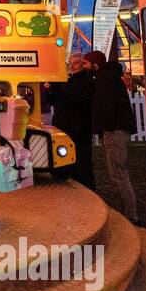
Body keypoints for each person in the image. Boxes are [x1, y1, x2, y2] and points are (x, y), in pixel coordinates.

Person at [88, 50, 142, 224]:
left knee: (118, 173)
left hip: (114, 131)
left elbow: (105, 106)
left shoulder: (105, 79)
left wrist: (106, 129)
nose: (84, 67)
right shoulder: (109, 77)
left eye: (86, 63)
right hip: (116, 129)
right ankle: (128, 211)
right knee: (118, 172)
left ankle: (131, 215)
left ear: (95, 64)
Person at [49, 53, 97, 190]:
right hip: (64, 126)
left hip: (80, 128)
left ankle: (88, 191)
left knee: (82, 163)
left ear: (83, 65)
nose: (72, 66)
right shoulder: (69, 81)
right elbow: (55, 100)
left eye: (75, 63)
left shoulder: (87, 82)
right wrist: (52, 90)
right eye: (70, 63)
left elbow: (74, 99)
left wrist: (58, 86)